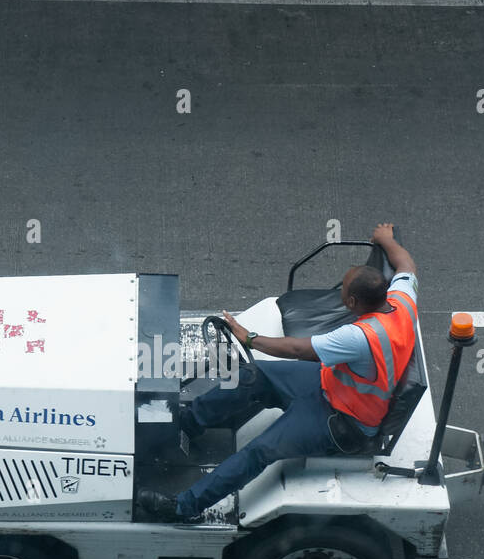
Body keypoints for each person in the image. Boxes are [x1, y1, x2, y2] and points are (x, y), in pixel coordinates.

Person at [136, 222, 419, 523]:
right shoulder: (401, 301)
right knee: (252, 376)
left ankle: (184, 507)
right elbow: (406, 264)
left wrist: (248, 338)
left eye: (344, 288)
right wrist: (386, 240)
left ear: (352, 302)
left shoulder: (359, 337)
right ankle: (187, 425)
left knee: (259, 451)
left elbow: (297, 349)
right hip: (329, 386)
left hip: (342, 421)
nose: (341, 291)